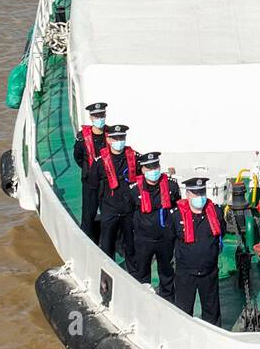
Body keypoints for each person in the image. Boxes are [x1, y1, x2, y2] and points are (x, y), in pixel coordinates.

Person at [169, 176, 226, 326]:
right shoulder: (175, 216)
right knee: (183, 312)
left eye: (202, 193)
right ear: (187, 194)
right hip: (185, 274)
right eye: (195, 194)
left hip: (209, 273)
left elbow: (222, 231)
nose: (200, 197)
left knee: (212, 313)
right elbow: (169, 238)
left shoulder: (217, 213)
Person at [129, 151, 179, 301]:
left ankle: (168, 300)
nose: (154, 171)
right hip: (144, 239)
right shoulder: (134, 190)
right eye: (149, 168)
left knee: (167, 272)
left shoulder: (171, 186)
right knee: (142, 271)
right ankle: (142, 300)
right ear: (143, 170)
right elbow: (130, 210)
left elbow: (176, 208)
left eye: (156, 167)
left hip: (165, 238)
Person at [87, 123, 138, 269]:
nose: (119, 141)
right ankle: (108, 270)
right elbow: (93, 184)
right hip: (110, 208)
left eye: (121, 137)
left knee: (130, 243)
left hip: (128, 208)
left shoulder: (133, 157)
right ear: (108, 140)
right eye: (115, 138)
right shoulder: (100, 162)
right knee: (107, 242)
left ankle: (133, 273)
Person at [73, 101, 109, 240]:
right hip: (90, 182)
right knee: (89, 213)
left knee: (108, 213)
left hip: (107, 182)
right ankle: (87, 240)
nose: (99, 118)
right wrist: (90, 171)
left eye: (101, 115)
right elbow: (78, 157)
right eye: (96, 116)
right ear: (91, 118)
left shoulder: (110, 135)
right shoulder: (83, 137)